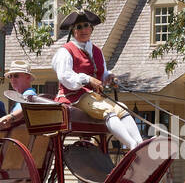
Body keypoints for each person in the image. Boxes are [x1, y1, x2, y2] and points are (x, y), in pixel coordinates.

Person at [53, 9, 142, 150]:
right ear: (73, 31)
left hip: (94, 97)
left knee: (122, 108)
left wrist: (109, 78)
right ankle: (132, 146)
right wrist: (87, 79)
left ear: (91, 28)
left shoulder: (97, 51)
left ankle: (140, 144)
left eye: (86, 25)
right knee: (108, 110)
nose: (84, 29)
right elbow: (65, 77)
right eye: (79, 27)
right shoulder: (65, 51)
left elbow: (102, 73)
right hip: (74, 98)